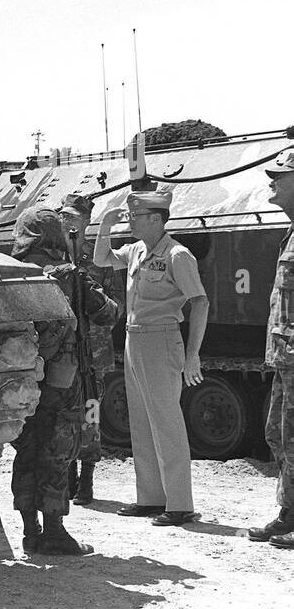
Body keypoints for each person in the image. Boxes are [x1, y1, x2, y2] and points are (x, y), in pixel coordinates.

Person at [95, 189, 209, 527]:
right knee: (142, 422)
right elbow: (102, 260)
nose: (130, 221)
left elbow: (199, 303)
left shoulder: (178, 255)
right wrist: (104, 226)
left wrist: (193, 356)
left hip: (162, 341)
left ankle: (179, 504)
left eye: (137, 216)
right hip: (135, 340)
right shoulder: (136, 251)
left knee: (166, 422)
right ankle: (150, 498)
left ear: (156, 219)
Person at [11, 208, 119, 555]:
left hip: (21, 381)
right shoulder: (68, 274)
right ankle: (55, 532)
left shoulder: (14, 273)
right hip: (63, 380)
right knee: (57, 451)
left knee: (26, 450)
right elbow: (107, 312)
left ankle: (30, 531)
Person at [59, 194, 122, 506]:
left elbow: (116, 304)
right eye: (63, 215)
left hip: (94, 350)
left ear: (86, 221)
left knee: (91, 414)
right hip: (62, 346)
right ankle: (67, 476)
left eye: (72, 216)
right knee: (63, 413)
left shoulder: (97, 257)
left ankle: (87, 479)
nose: (66, 220)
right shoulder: (55, 254)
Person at [250, 150, 294, 550]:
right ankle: (288, 514)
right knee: (279, 436)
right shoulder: (292, 231)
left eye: (281, 175)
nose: (272, 182)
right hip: (286, 357)